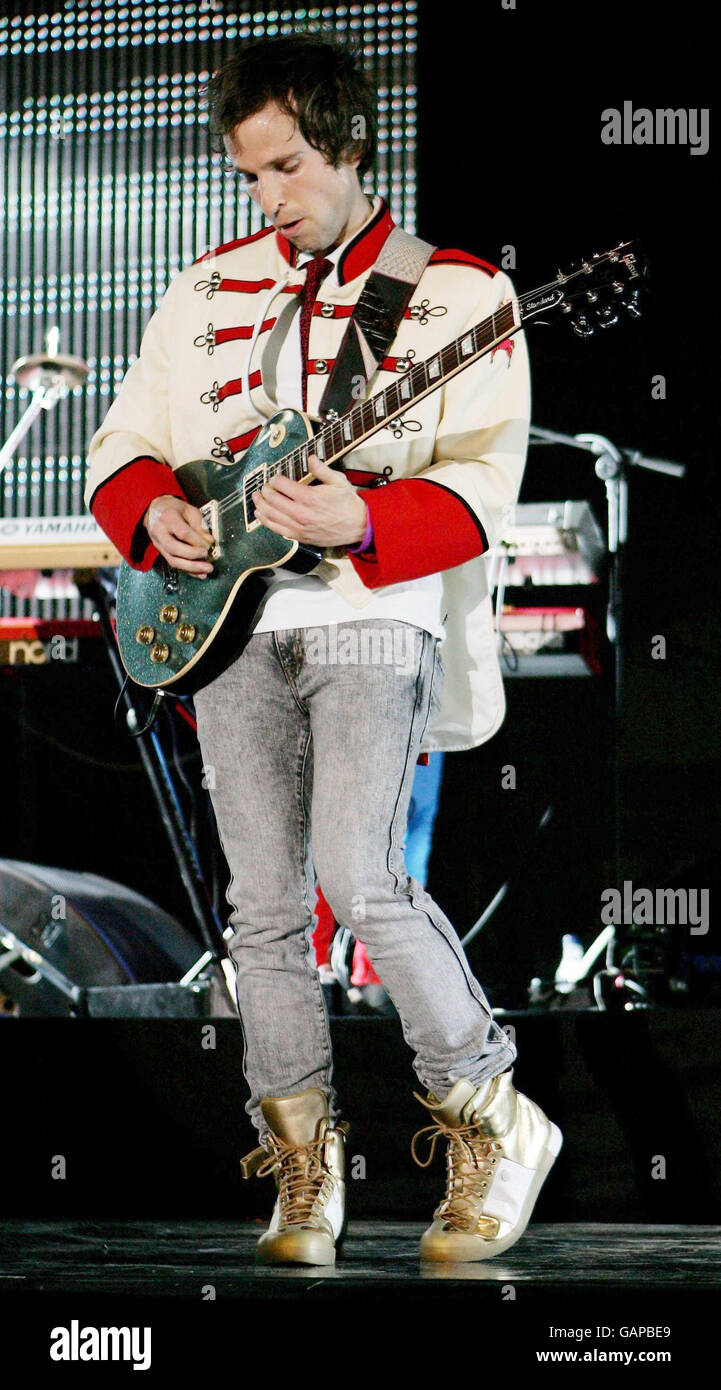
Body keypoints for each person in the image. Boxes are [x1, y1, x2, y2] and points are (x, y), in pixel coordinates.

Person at [85, 32, 562, 1266]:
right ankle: (304, 1171)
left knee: (359, 876)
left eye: (287, 168)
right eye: (249, 175)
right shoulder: (202, 289)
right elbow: (125, 443)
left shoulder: (457, 291)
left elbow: (484, 478)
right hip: (231, 622)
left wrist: (364, 515)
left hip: (370, 607)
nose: (268, 198)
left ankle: (491, 1113)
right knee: (259, 913)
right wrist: (156, 511)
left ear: (352, 145)